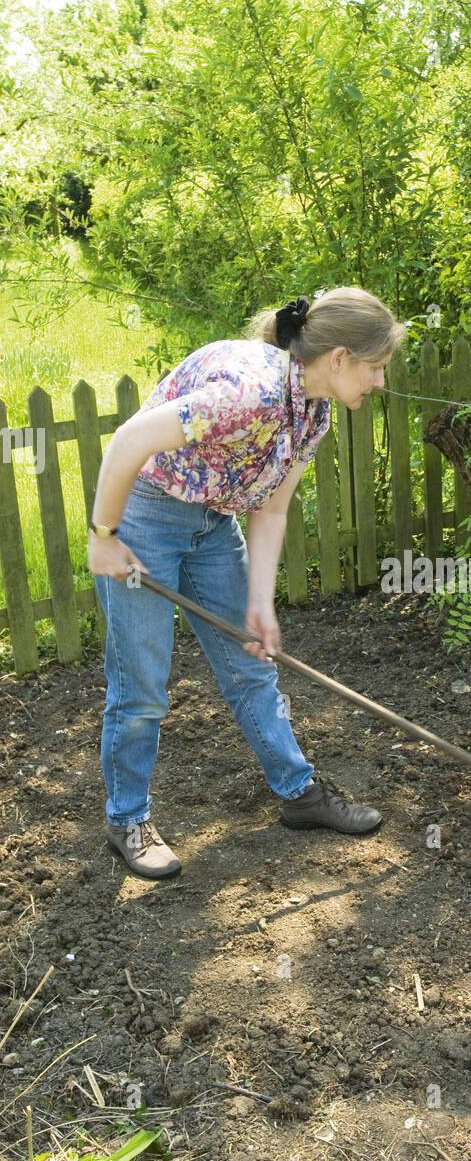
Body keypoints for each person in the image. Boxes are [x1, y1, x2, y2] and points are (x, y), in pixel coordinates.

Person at [88, 285, 407, 879]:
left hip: (213, 520)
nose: (381, 382)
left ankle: (298, 793)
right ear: (339, 358)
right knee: (143, 687)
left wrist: (260, 606)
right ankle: (127, 817)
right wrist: (103, 535)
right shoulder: (248, 395)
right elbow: (128, 440)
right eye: (376, 368)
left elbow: (274, 508)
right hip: (147, 515)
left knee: (252, 663)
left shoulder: (313, 410)